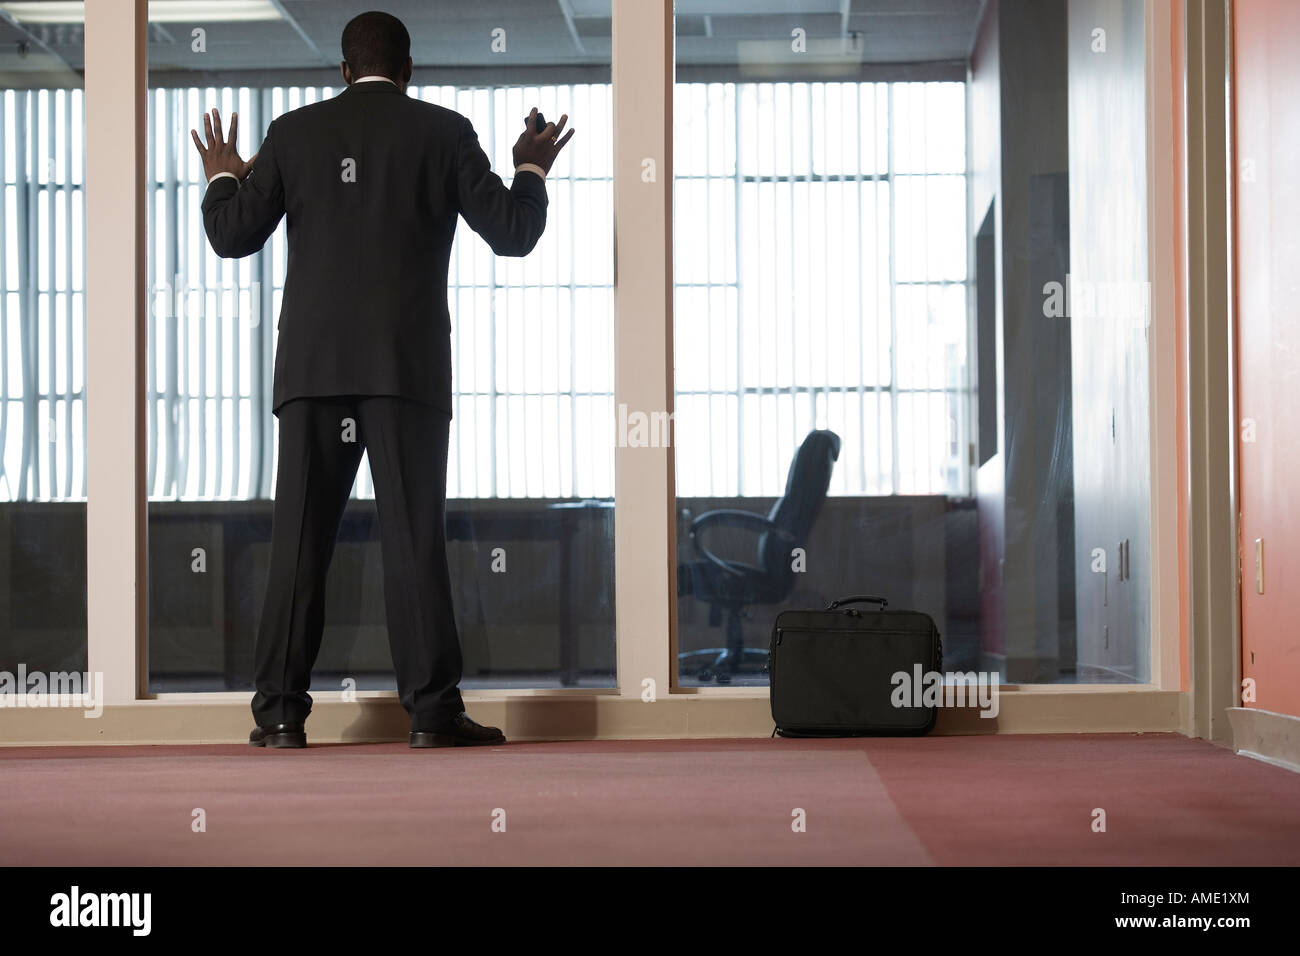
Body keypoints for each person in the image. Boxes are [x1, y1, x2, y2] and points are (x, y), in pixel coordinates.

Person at [190, 10, 574, 749]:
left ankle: (277, 716)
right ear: (409, 70)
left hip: (312, 372)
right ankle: (431, 715)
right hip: (406, 372)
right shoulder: (442, 131)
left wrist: (221, 179)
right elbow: (514, 234)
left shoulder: (294, 133)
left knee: (297, 546)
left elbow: (231, 235)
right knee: (413, 541)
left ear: (342, 69)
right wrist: (531, 166)